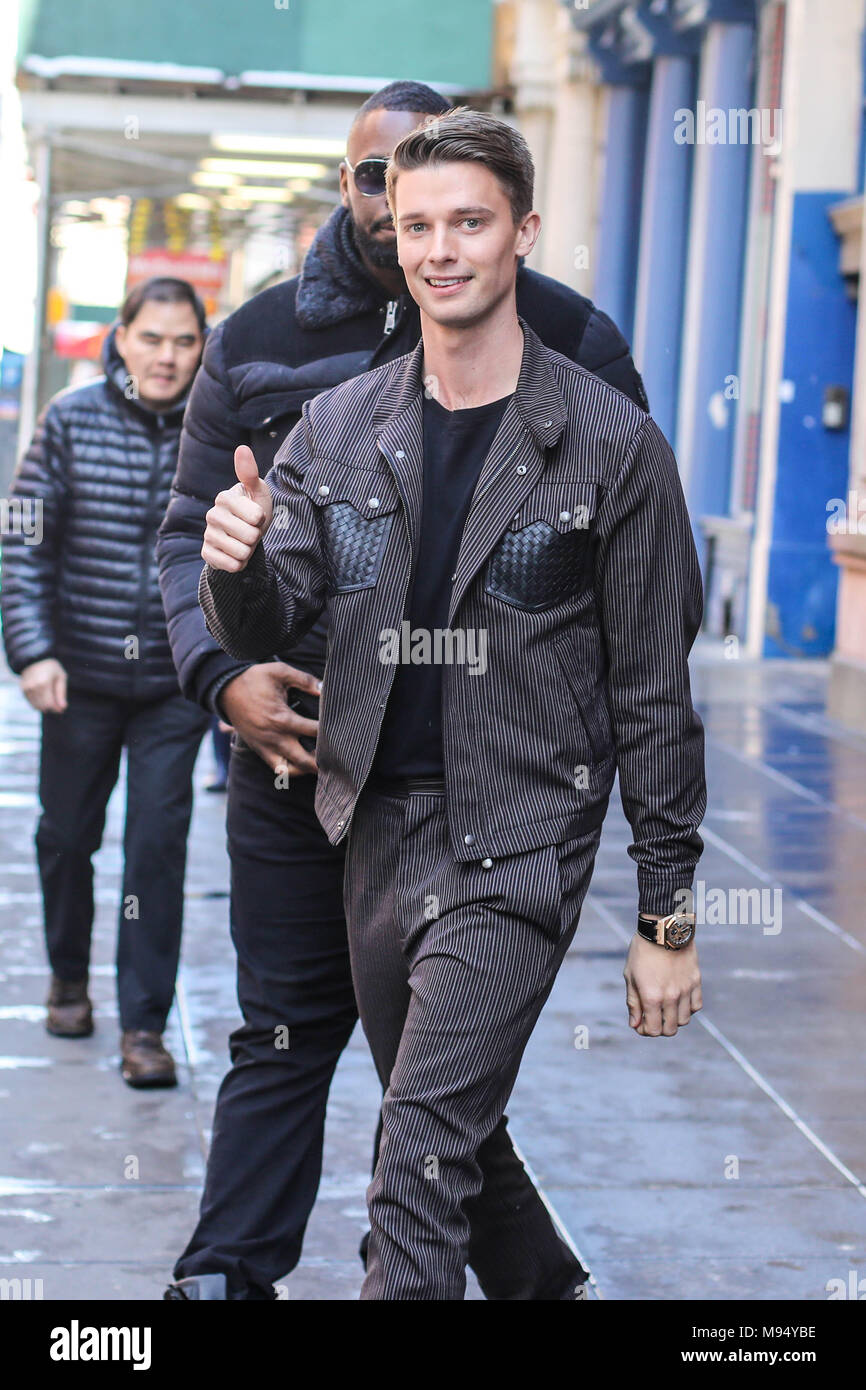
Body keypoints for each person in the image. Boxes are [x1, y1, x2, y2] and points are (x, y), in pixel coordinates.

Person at [200, 106, 708, 1302]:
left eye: (468, 222)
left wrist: (666, 916)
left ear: (521, 232)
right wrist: (238, 567)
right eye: (417, 222)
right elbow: (279, 617)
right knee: (447, 1124)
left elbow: (652, 688)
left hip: (518, 841)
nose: (438, 248)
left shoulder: (610, 446)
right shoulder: (339, 426)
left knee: (412, 1176)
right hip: (370, 826)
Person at [1, 277, 210, 1089]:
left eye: (184, 341)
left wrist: (226, 669)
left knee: (156, 850)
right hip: (79, 676)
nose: (166, 356)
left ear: (202, 346)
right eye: (151, 338)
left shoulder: (217, 428)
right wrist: (33, 651)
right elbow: (24, 540)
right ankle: (66, 978)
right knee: (66, 838)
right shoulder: (69, 420)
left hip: (171, 681)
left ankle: (145, 1029)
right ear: (120, 338)